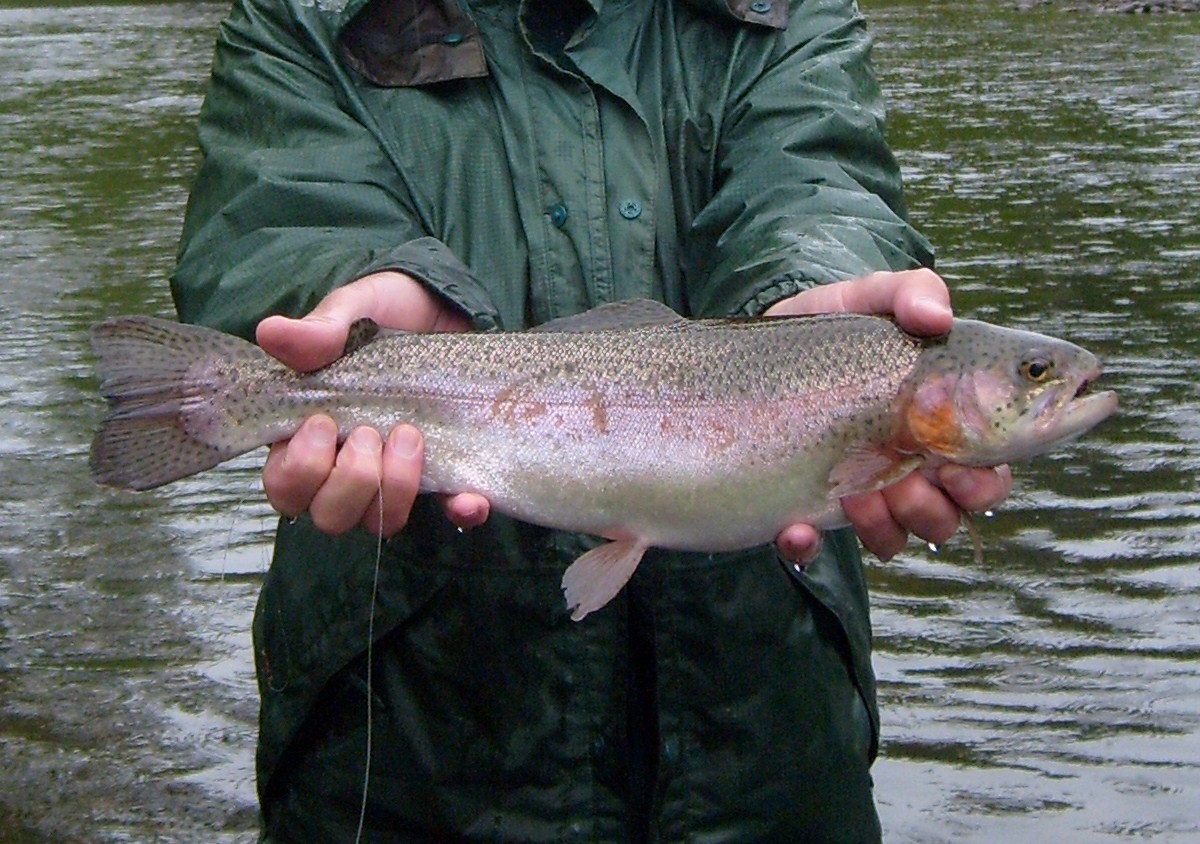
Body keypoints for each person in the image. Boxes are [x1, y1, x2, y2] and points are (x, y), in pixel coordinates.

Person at [171, 0, 1011, 840]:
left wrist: (811, 297)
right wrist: (354, 297)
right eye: (1033, 377)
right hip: (412, 748)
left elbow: (815, 183)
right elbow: (275, 221)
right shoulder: (307, 14)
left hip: (769, 743)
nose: (1046, 389)